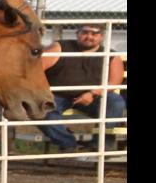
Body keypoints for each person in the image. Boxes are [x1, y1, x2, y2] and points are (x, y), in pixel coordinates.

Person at [34, 22, 125, 154]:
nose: (89, 36)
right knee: (40, 109)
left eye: (94, 33)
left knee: (115, 102)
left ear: (101, 37)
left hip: (92, 97)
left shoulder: (111, 56)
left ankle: (101, 145)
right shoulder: (59, 48)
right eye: (85, 32)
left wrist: (92, 93)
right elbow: (37, 70)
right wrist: (43, 92)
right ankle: (69, 144)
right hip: (57, 95)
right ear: (77, 34)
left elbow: (114, 82)